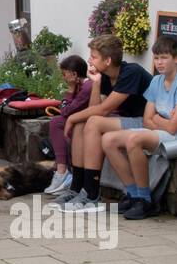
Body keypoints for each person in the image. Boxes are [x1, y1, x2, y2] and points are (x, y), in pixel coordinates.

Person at [101, 36, 177, 219]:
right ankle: (133, 194)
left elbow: (173, 128)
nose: (159, 62)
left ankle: (146, 200)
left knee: (134, 139)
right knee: (108, 139)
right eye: (156, 58)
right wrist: (159, 119)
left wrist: (157, 118)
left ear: (176, 58)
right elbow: (146, 119)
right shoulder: (156, 82)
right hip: (162, 132)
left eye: (164, 57)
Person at [56, 34, 153, 214]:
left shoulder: (131, 72)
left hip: (147, 122)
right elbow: (95, 107)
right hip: (129, 121)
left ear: (107, 60)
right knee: (82, 125)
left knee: (91, 122)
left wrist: (71, 117)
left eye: (93, 57)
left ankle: (92, 193)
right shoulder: (106, 77)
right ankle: (78, 188)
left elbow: (102, 110)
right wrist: (97, 83)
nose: (89, 60)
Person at [42, 55, 93, 195]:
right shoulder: (81, 86)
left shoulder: (87, 87)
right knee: (57, 121)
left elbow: (65, 110)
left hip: (88, 122)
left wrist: (70, 90)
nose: (64, 78)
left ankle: (62, 171)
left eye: (65, 74)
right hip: (82, 120)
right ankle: (62, 170)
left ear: (74, 74)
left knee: (57, 122)